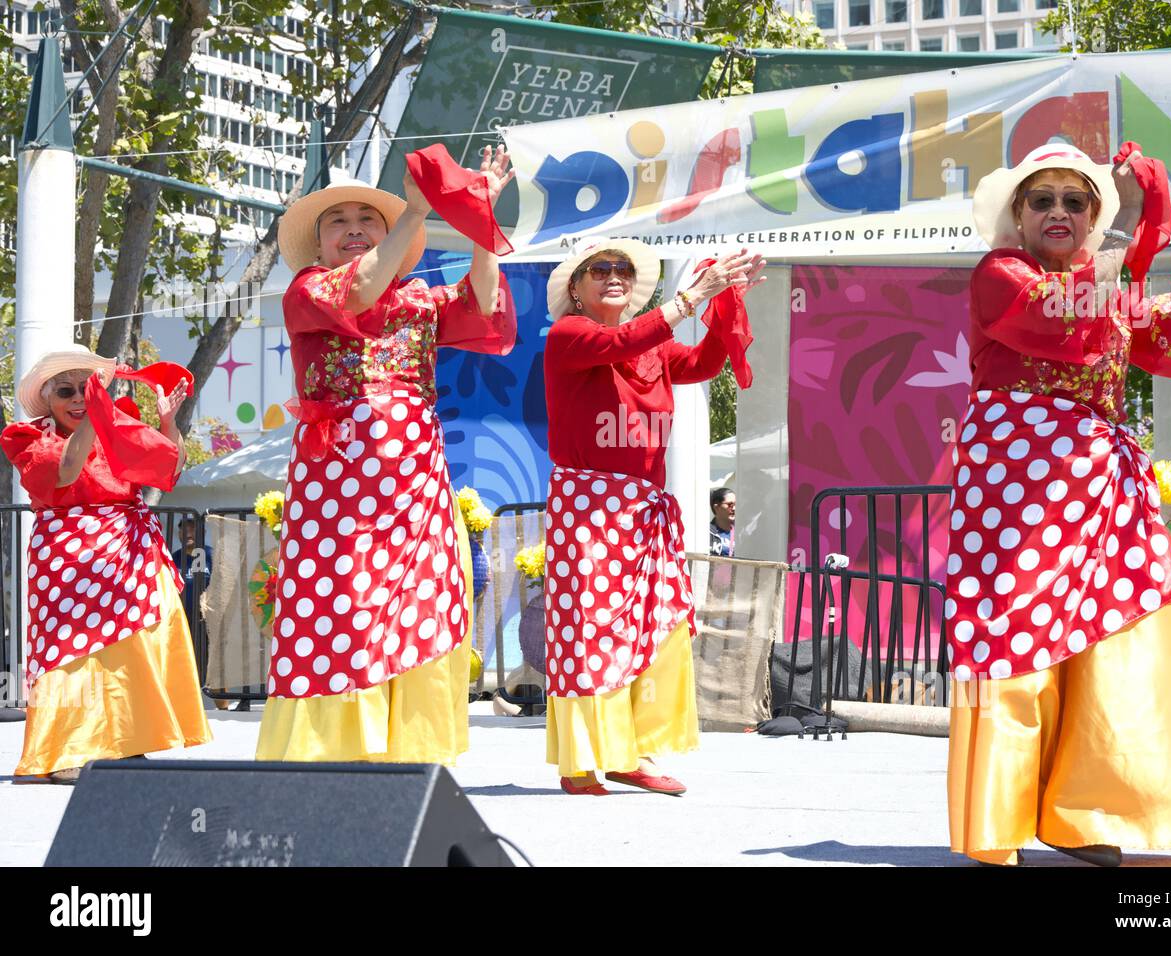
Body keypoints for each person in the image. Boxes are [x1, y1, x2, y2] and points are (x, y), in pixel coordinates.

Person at [946, 142, 1171, 865]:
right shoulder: (1001, 274)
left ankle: (1091, 814)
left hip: (1097, 477)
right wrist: (1136, 238)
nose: (1059, 211)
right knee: (1017, 633)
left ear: (1091, 217)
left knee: (1118, 633)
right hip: (1021, 477)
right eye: (1043, 199)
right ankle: (1000, 818)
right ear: (1018, 216)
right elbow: (1056, 318)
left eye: (1077, 200)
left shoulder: (1107, 287)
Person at [255, 145, 516, 763]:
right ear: (318, 245)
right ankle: (333, 751)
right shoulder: (308, 290)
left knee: (423, 601)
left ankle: (409, 750)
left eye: (366, 219)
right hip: (339, 482)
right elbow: (359, 291)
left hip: (415, 481)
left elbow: (483, 306)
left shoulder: (421, 301)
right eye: (338, 221)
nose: (353, 229)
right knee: (343, 602)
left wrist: (480, 219)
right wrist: (416, 210)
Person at [543, 237, 765, 795]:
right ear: (575, 287)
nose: (614, 275)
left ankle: (633, 753)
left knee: (655, 631)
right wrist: (691, 299)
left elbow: (707, 361)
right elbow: (620, 339)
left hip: (644, 513)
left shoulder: (655, 350)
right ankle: (580, 761)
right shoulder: (569, 335)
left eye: (623, 269)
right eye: (600, 269)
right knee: (590, 633)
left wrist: (726, 305)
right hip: (589, 508)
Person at [1, 346, 211, 783]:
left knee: (135, 647)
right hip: (68, 555)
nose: (78, 398)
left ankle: (126, 743)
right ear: (48, 398)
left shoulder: (117, 422)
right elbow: (65, 470)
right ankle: (65, 751)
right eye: (66, 391)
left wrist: (168, 424)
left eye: (86, 388)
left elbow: (167, 471)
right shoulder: (29, 437)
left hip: (127, 548)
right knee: (72, 653)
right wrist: (99, 414)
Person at [708, 486, 736, 557]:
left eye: (736, 504)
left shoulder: (741, 532)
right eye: (730, 505)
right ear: (716, 507)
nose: (734, 508)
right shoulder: (707, 533)